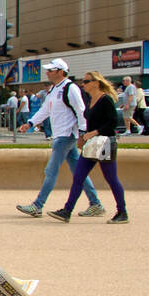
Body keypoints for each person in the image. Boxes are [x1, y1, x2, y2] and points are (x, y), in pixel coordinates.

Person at [16, 59, 103, 218]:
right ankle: (95, 203)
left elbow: (81, 110)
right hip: (63, 135)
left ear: (61, 72)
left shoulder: (70, 88)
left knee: (51, 171)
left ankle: (38, 205)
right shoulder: (55, 90)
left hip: (66, 135)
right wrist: (30, 123)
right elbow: (45, 110)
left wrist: (83, 133)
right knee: (78, 172)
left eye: (51, 70)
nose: (47, 72)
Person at [47, 71, 128, 224]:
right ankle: (67, 211)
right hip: (91, 144)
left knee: (111, 178)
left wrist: (94, 133)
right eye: (82, 81)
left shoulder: (106, 100)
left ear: (96, 83)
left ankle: (122, 212)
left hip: (104, 143)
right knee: (78, 176)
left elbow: (112, 123)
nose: (83, 84)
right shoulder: (90, 100)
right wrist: (83, 136)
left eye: (86, 81)